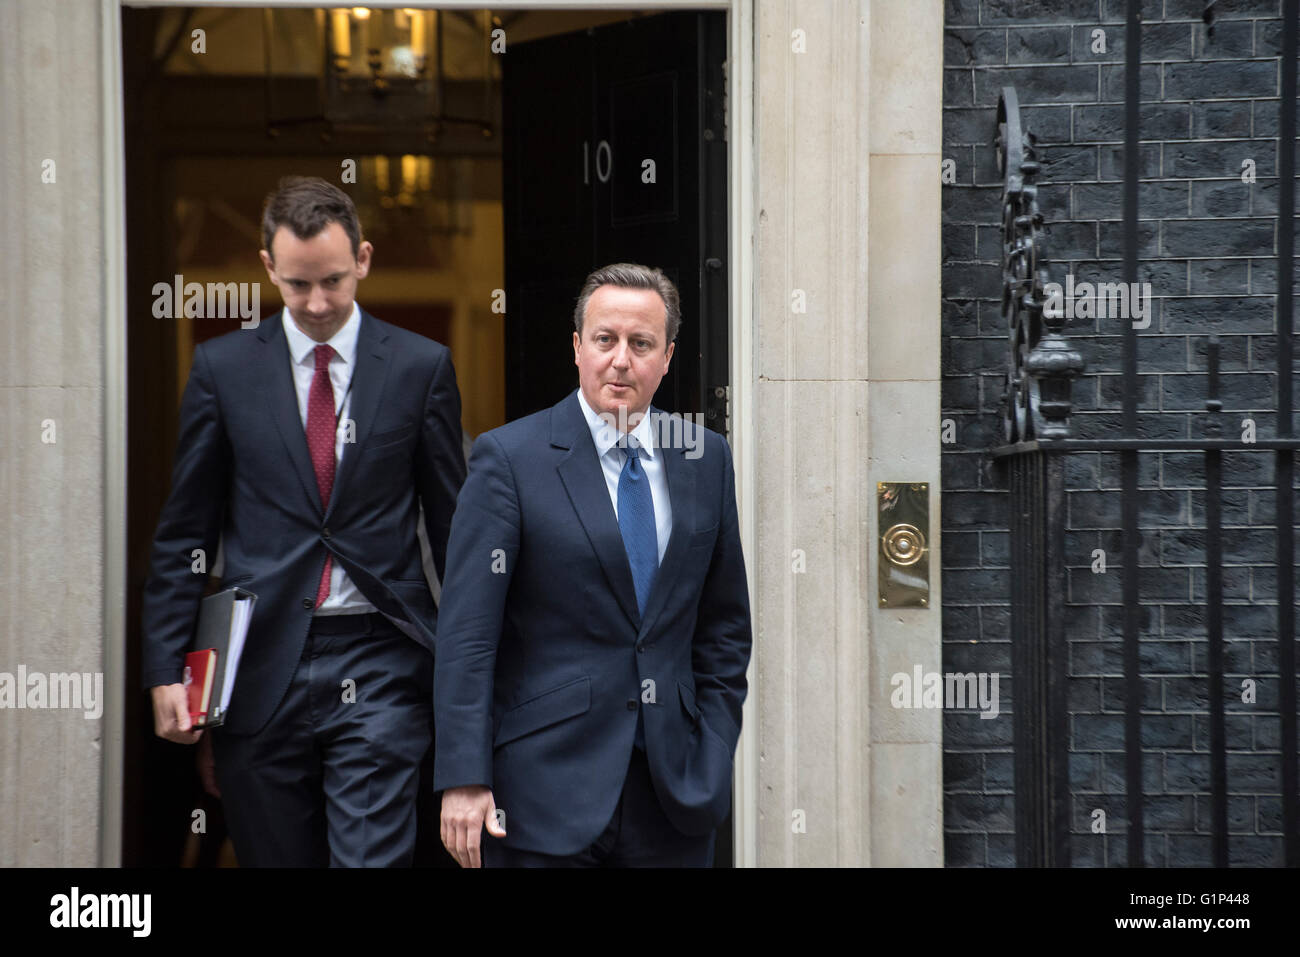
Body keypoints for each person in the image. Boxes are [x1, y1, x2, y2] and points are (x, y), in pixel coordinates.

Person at [141, 176, 466, 866]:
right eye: (296, 285)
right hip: (260, 666)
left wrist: (472, 668)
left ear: (365, 260)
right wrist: (168, 668)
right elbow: (184, 533)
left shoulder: (420, 368)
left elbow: (453, 530)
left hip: (381, 658)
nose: (317, 303)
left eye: (334, 282)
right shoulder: (222, 370)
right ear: (267, 268)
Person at [434, 263, 752, 867]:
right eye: (605, 340)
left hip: (674, 793)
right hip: (540, 795)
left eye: (642, 344)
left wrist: (712, 750)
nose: (621, 360)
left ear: (667, 356)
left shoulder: (706, 458)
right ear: (577, 347)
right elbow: (468, 636)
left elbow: (725, 626)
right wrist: (464, 777)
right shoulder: (509, 459)